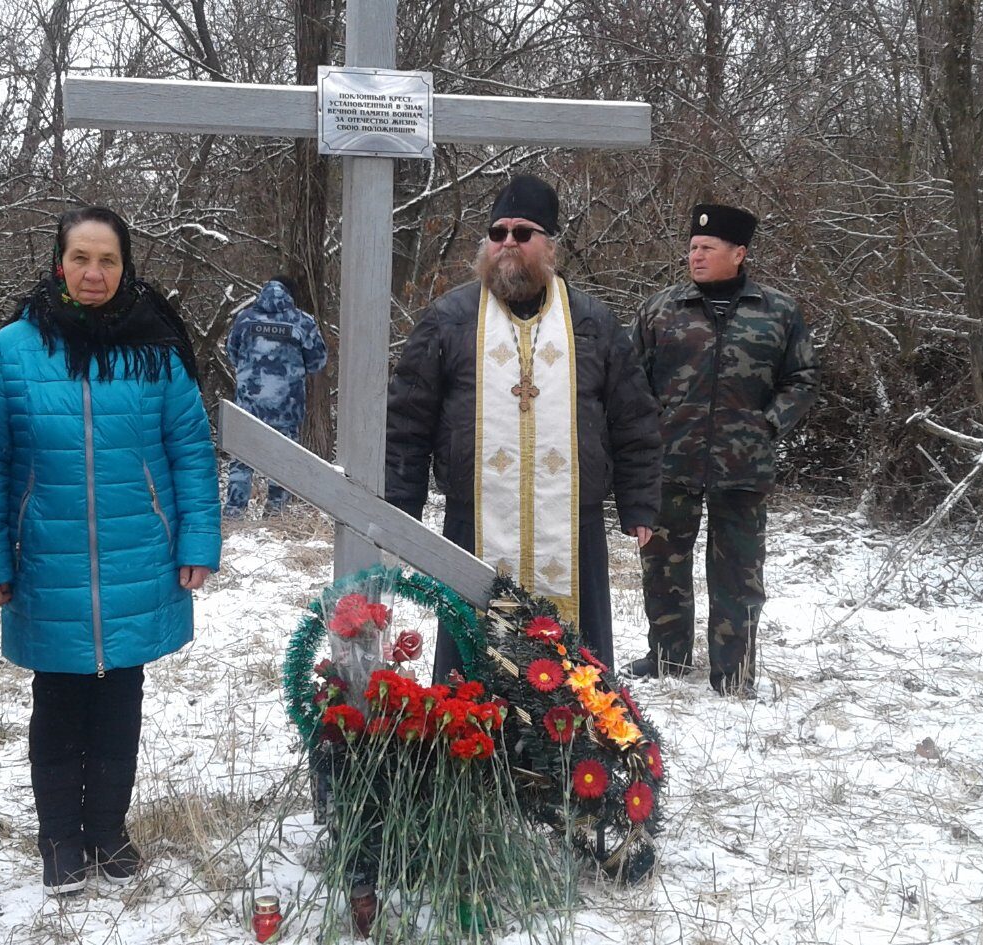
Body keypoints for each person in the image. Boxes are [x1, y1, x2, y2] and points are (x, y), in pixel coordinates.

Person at [0, 206, 221, 897]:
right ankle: (59, 841)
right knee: (57, 704)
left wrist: (198, 539)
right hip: (44, 556)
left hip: (138, 554)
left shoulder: (154, 350)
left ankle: (108, 830)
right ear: (59, 262)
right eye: (80, 257)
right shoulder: (12, 350)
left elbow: (190, 449)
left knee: (119, 702)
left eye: (107, 259)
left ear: (125, 266)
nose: (93, 272)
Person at [385, 174, 662, 677]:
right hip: (474, 523)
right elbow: (407, 417)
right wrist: (401, 505)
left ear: (549, 244)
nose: (507, 242)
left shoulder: (591, 322)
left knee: (575, 671)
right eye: (498, 232)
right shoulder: (450, 318)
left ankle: (572, 731)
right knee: (471, 666)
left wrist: (639, 500)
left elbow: (633, 416)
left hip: (572, 527)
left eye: (522, 232)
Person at [630, 203, 820, 696]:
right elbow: (631, 381)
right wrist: (649, 432)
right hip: (670, 462)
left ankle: (733, 674)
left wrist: (767, 424)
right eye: (693, 247)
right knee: (663, 567)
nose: (695, 255)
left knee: (739, 574)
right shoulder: (661, 309)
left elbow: (802, 378)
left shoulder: (778, 312)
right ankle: (667, 657)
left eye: (707, 248)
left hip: (743, 467)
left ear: (739, 253)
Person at [223, 274, 328, 517]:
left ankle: (234, 514)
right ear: (291, 295)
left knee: (241, 459)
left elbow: (232, 353)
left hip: (248, 405)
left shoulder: (244, 319)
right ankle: (275, 515)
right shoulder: (302, 322)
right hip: (287, 407)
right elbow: (318, 361)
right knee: (284, 460)